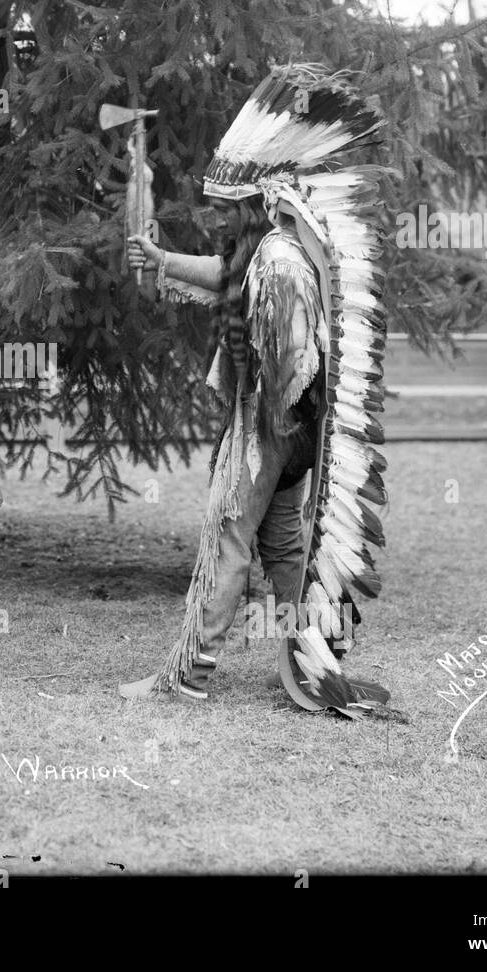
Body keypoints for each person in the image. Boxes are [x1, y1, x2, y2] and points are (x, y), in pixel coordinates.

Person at [120, 207, 323, 701]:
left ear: (252, 204)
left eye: (226, 208)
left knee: (228, 538)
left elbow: (294, 348)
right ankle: (312, 659)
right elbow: (228, 271)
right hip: (293, 427)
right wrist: (162, 258)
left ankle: (190, 674)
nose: (216, 218)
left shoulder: (277, 260)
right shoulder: (276, 247)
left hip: (272, 424)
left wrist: (262, 420)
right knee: (282, 544)